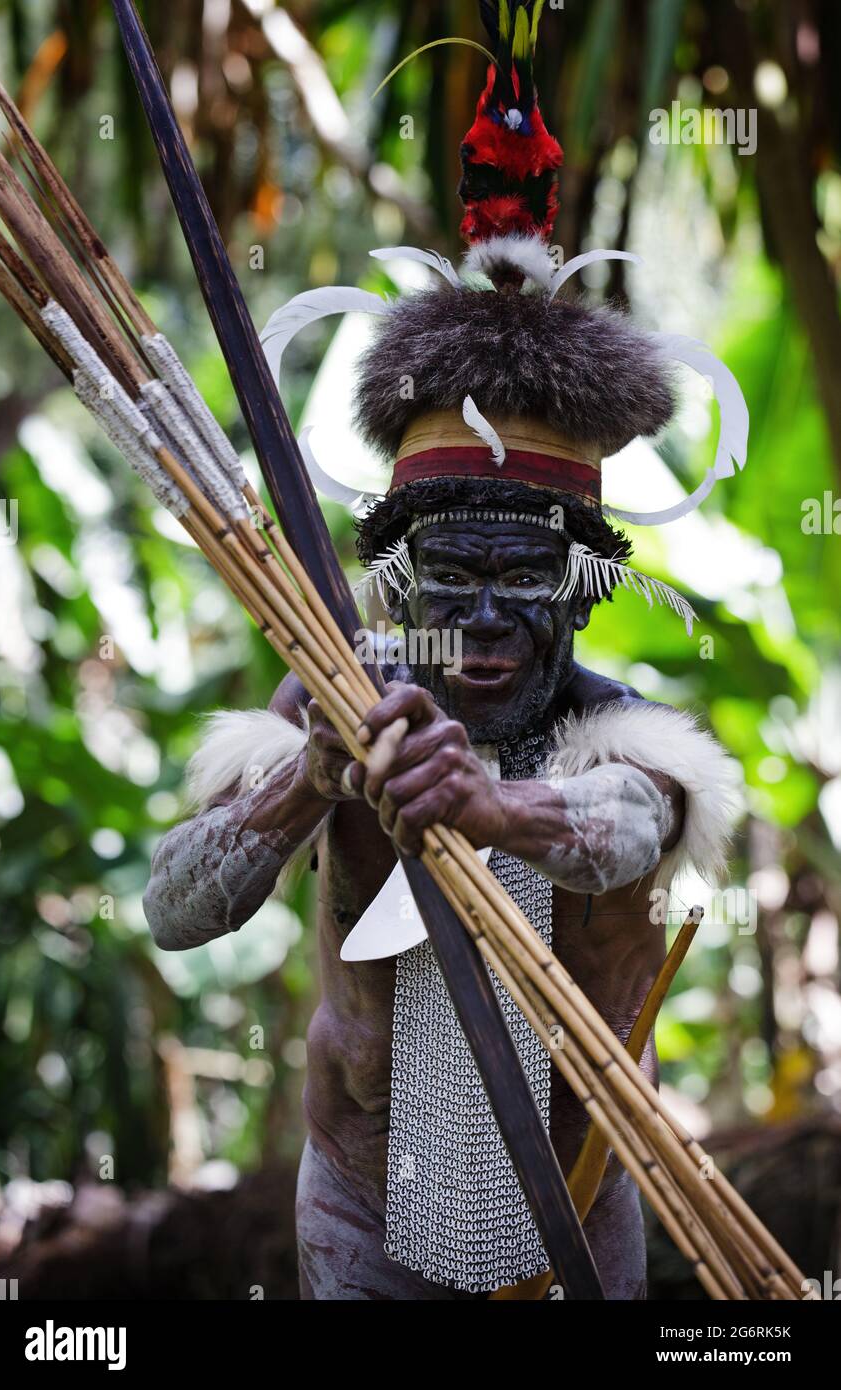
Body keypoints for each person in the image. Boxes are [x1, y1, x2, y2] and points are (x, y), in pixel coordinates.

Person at [143, 1, 741, 1299]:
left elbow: (624, 827)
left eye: (518, 577)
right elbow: (174, 910)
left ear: (582, 586)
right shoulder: (333, 708)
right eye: (450, 575)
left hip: (577, 1213)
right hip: (362, 1199)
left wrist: (489, 803)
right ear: (400, 570)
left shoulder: (614, 735)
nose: (477, 622)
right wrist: (309, 773)